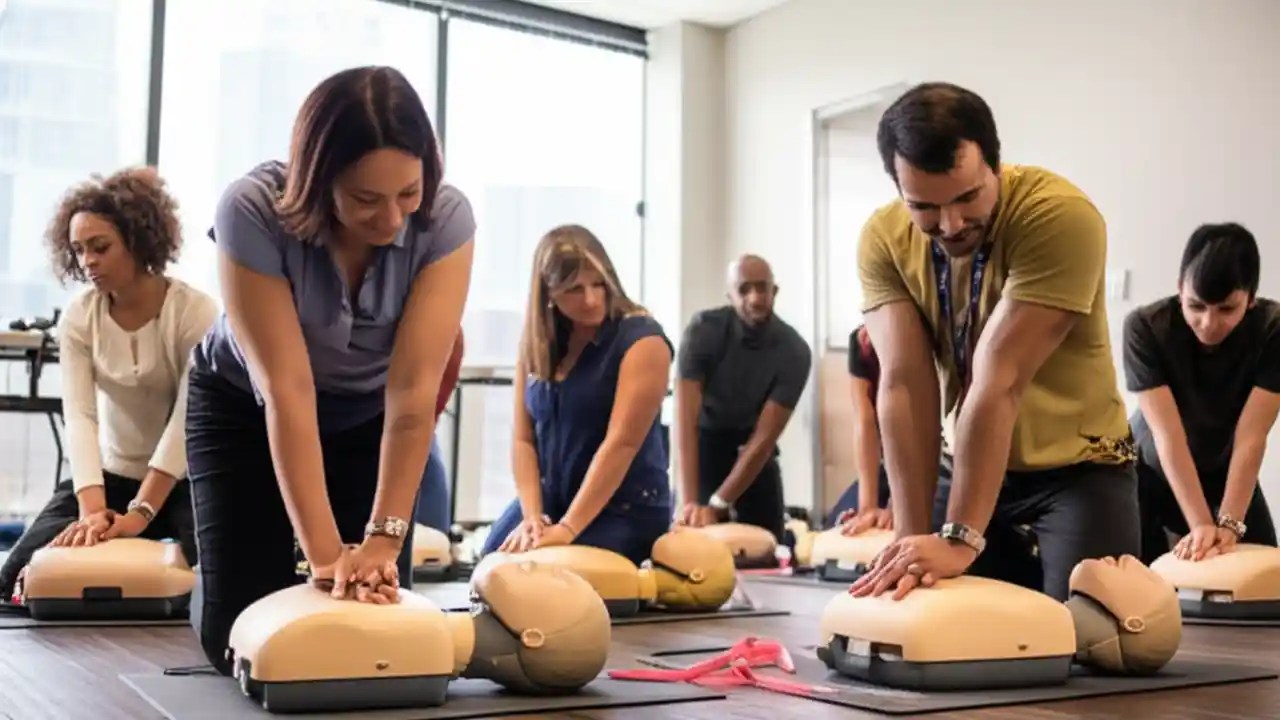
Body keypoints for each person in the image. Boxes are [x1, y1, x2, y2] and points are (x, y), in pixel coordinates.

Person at [184, 66, 474, 674]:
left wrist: (384, 541)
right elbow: (285, 390)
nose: (392, 220)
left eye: (408, 193)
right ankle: (213, 573)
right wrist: (323, 553)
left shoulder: (446, 220)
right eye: (366, 199)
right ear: (319, 179)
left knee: (369, 617)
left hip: (370, 413)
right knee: (238, 635)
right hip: (244, 406)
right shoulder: (252, 209)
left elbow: (416, 389)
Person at [849, 82, 1139, 603]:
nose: (951, 224)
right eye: (925, 208)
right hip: (965, 464)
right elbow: (904, 384)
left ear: (996, 167)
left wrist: (960, 537)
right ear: (898, 190)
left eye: (967, 197)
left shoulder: (1058, 216)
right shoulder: (882, 239)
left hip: (1076, 470)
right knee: (935, 622)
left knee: (1094, 638)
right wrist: (912, 539)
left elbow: (999, 378)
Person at [0, 168, 216, 601]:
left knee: (218, 582)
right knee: (11, 579)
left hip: (183, 483)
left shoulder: (195, 313)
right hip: (111, 477)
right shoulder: (80, 317)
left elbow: (185, 423)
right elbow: (79, 418)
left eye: (100, 248)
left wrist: (139, 514)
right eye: (79, 251)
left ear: (138, 243)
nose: (87, 262)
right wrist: (92, 512)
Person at [482, 225, 673, 566]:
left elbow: (621, 445)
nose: (591, 299)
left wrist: (568, 529)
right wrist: (532, 518)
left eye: (598, 284)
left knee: (540, 575)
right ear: (548, 294)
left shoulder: (643, 340)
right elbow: (524, 441)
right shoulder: (538, 345)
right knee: (491, 566)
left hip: (623, 507)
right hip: (553, 499)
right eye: (574, 289)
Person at [1124, 223, 1280, 564]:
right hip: (1149, 468)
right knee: (1142, 580)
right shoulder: (1145, 327)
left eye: (1226, 309)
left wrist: (1229, 523)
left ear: (1250, 298)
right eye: (1196, 306)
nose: (1208, 323)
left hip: (1226, 466)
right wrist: (1199, 525)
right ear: (1180, 289)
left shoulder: (1273, 329)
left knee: (1265, 572)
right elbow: (1168, 437)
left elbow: (1252, 436)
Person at [673, 255, 812, 541]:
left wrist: (720, 503)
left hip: (753, 449)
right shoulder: (703, 330)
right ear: (730, 295)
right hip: (706, 441)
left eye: (763, 288)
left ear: (775, 291)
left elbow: (764, 438)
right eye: (745, 289)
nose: (755, 297)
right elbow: (685, 420)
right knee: (697, 538)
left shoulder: (795, 351)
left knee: (768, 544)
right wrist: (691, 505)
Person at [825, 324, 892, 531]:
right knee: (839, 524)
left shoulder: (930, 335)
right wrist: (867, 508)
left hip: (942, 468)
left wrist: (900, 507)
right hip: (890, 465)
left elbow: (925, 429)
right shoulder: (863, 341)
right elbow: (865, 421)